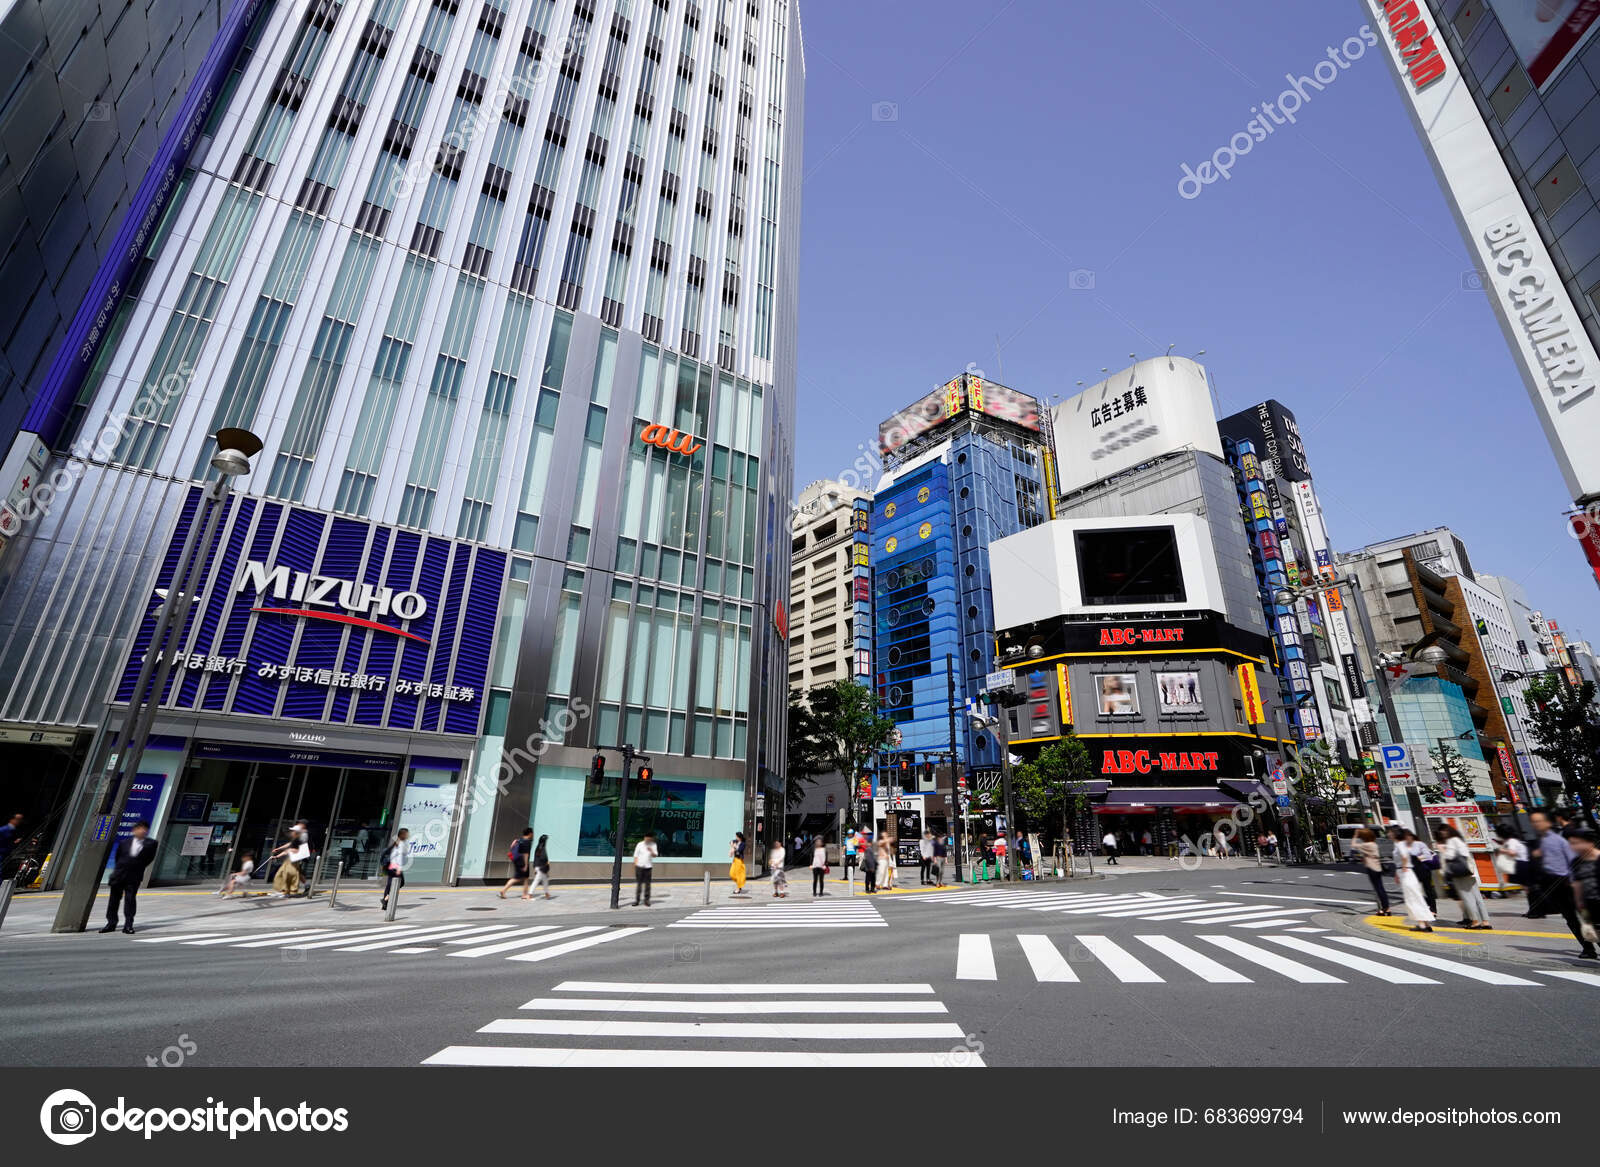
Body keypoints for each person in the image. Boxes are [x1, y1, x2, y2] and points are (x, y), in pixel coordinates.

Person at [1526, 810, 1591, 956]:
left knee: (1586, 917)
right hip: (1553, 884)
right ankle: (1588, 948)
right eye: (1533, 821)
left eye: (1539, 821)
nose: (1536, 824)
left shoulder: (1558, 840)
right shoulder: (1541, 841)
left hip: (1567, 883)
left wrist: (1575, 882)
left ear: (1548, 822)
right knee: (1570, 918)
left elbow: (1573, 861)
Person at [101, 821, 159, 933]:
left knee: (130, 900)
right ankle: (111, 923)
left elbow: (149, 859)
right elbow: (118, 857)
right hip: (119, 875)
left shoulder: (151, 844)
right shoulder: (125, 842)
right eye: (140, 828)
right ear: (134, 830)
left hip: (134, 876)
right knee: (113, 900)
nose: (142, 831)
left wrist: (137, 867)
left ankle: (128, 925)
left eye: (144, 829)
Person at [1434, 824, 1490, 929]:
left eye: (1443, 832)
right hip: (1469, 871)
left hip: (1459, 873)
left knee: (1467, 898)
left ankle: (1475, 921)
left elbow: (1450, 856)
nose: (1443, 834)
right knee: (1478, 898)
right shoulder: (1459, 840)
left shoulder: (1451, 841)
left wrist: (1442, 850)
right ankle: (1486, 922)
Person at [1388, 827, 1434, 932]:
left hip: (1406, 873)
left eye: (1390, 832)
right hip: (1406, 872)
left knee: (1412, 899)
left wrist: (1404, 868)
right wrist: (1398, 872)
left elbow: (1404, 857)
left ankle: (1422, 924)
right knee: (1416, 898)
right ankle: (1425, 923)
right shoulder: (1400, 844)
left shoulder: (1399, 844)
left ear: (1395, 834)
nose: (1388, 834)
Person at [1567, 827, 1600, 959]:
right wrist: (1579, 902)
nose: (1573, 847)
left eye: (1576, 843)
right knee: (1594, 930)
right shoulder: (1576, 861)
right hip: (1589, 902)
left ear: (1589, 842)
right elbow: (1577, 883)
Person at [1351, 828, 1390, 915]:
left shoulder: (1367, 845)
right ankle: (1386, 908)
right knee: (1380, 888)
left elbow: (1353, 845)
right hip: (1377, 868)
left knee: (1378, 889)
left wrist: (1355, 835)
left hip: (1372, 868)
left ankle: (1385, 908)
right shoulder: (1373, 844)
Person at [380, 828, 410, 911]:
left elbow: (393, 855)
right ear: (403, 835)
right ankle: (386, 899)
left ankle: (385, 903)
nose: (408, 835)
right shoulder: (401, 843)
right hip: (395, 868)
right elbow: (400, 856)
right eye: (407, 834)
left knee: (389, 885)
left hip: (391, 867)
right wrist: (399, 869)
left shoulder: (397, 842)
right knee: (400, 883)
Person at [500, 827, 534, 899]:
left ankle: (524, 894)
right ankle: (503, 890)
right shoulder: (527, 841)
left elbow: (511, 846)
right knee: (518, 878)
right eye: (532, 833)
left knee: (525, 878)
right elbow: (526, 854)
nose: (533, 835)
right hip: (522, 861)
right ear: (530, 833)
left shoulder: (519, 840)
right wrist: (525, 865)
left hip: (516, 860)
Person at [632, 832, 658, 906]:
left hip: (648, 867)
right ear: (645, 838)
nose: (648, 840)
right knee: (639, 884)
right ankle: (637, 900)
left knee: (647, 885)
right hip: (639, 867)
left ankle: (647, 900)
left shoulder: (653, 845)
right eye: (647, 838)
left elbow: (655, 855)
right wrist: (635, 865)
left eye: (650, 838)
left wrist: (651, 851)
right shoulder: (640, 844)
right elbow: (635, 855)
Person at [524, 834, 552, 900]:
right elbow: (543, 858)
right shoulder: (542, 847)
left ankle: (547, 894)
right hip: (541, 867)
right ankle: (529, 894)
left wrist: (535, 867)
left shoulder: (538, 847)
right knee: (537, 881)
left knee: (545, 881)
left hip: (539, 867)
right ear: (544, 841)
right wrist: (547, 862)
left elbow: (536, 858)